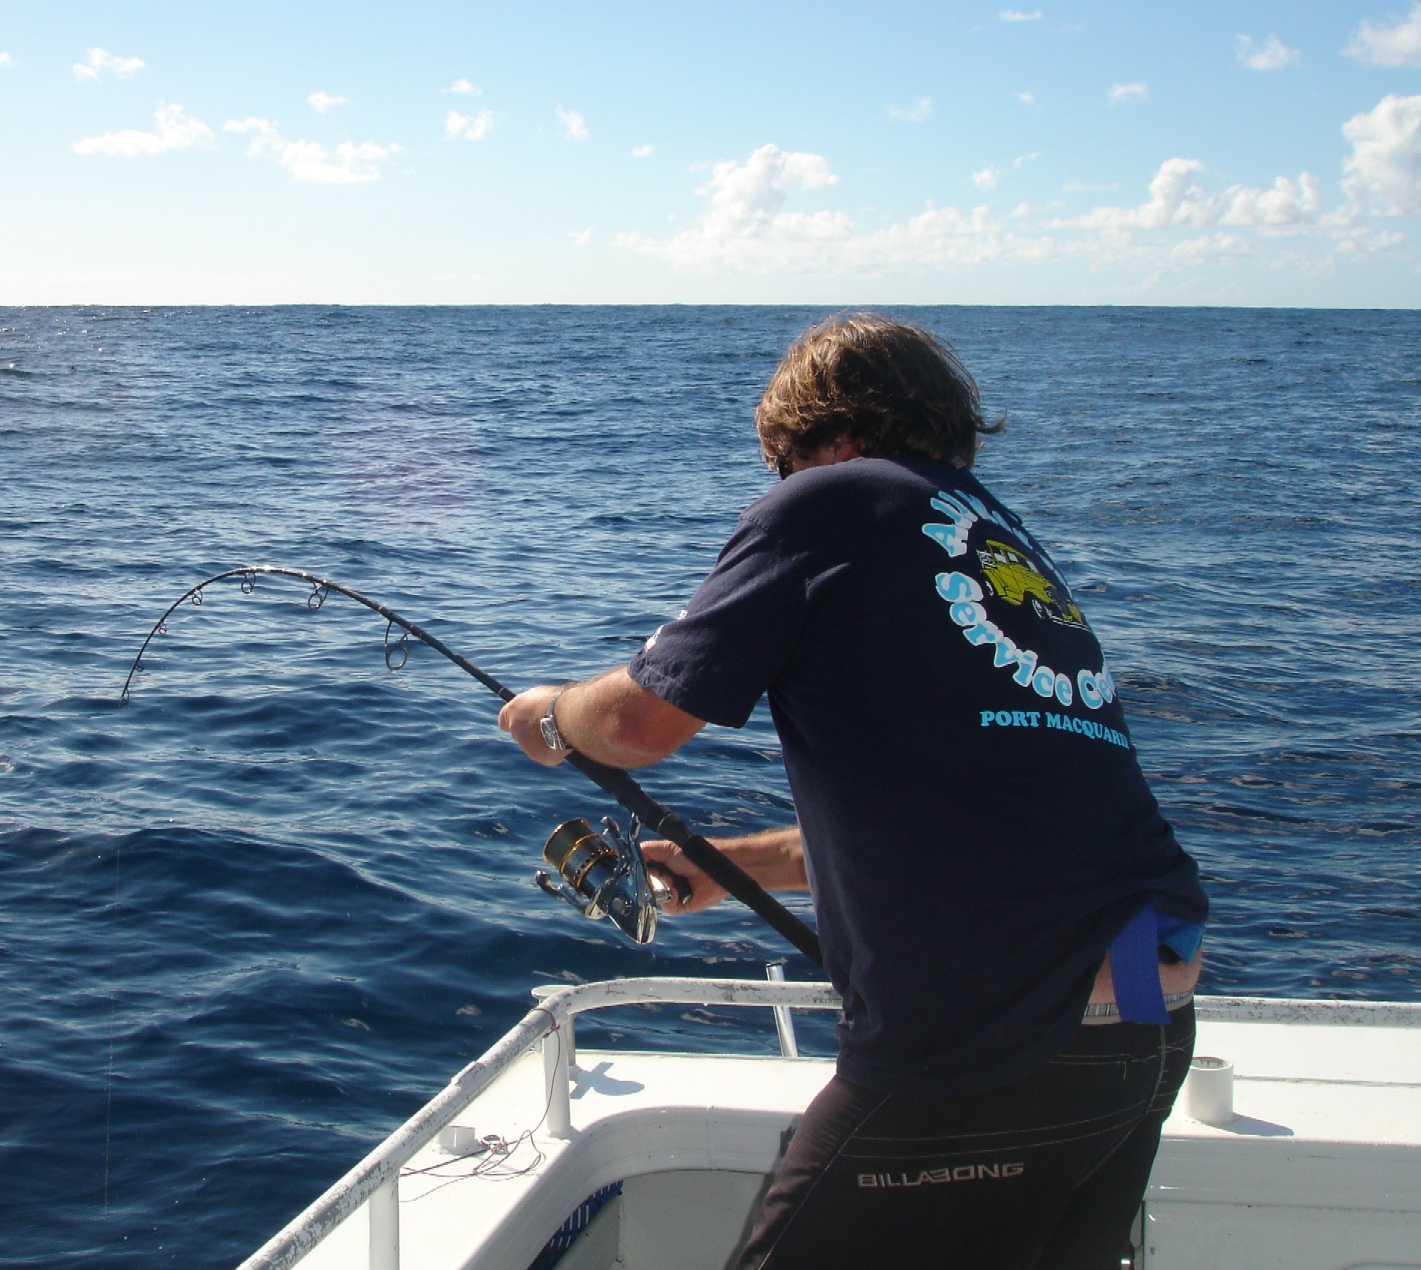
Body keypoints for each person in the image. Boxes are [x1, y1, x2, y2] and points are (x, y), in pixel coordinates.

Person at [498, 312, 1207, 1270]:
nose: (787, 488)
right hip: (1144, 1017)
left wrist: (546, 719)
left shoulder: (830, 501)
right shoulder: (993, 539)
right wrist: (727, 867)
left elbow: (636, 726)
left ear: (828, 441)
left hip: (1002, 1030)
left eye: (787, 466)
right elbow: (961, 812)